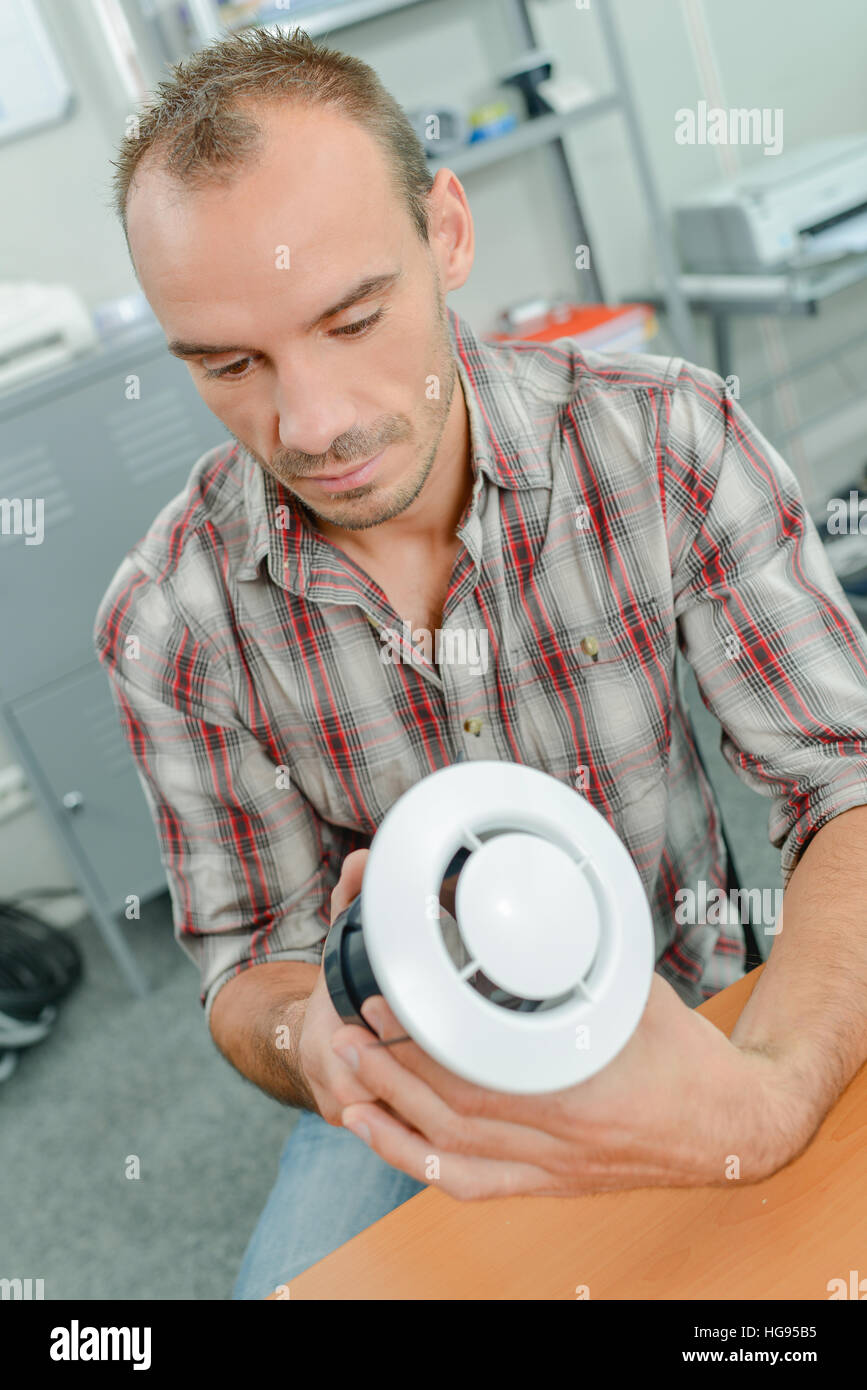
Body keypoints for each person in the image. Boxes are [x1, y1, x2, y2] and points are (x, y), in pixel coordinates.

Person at [94, 26, 867, 1300]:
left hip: (691, 1009)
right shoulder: (168, 623)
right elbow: (248, 964)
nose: (314, 421)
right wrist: (313, 1041)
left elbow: (847, 783)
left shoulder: (665, 439)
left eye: (353, 316)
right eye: (229, 364)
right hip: (408, 1062)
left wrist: (771, 1094)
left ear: (447, 234)